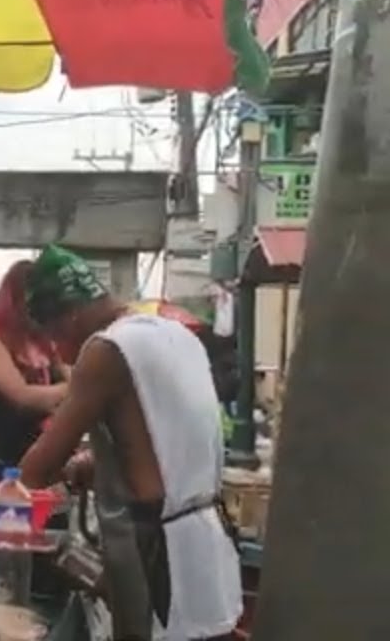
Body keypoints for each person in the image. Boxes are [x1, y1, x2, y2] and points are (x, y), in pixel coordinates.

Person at [18, 245, 241, 641]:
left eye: (51, 337)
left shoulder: (106, 350)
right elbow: (161, 437)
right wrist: (95, 461)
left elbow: (36, 471)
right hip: (206, 534)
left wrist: (33, 479)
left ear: (69, 317)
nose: (55, 351)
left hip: (155, 547)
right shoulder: (175, 335)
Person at [0, 260, 69, 483]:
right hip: (7, 466)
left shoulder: (49, 346)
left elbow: (77, 379)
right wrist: (71, 388)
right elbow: (23, 396)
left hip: (51, 466)